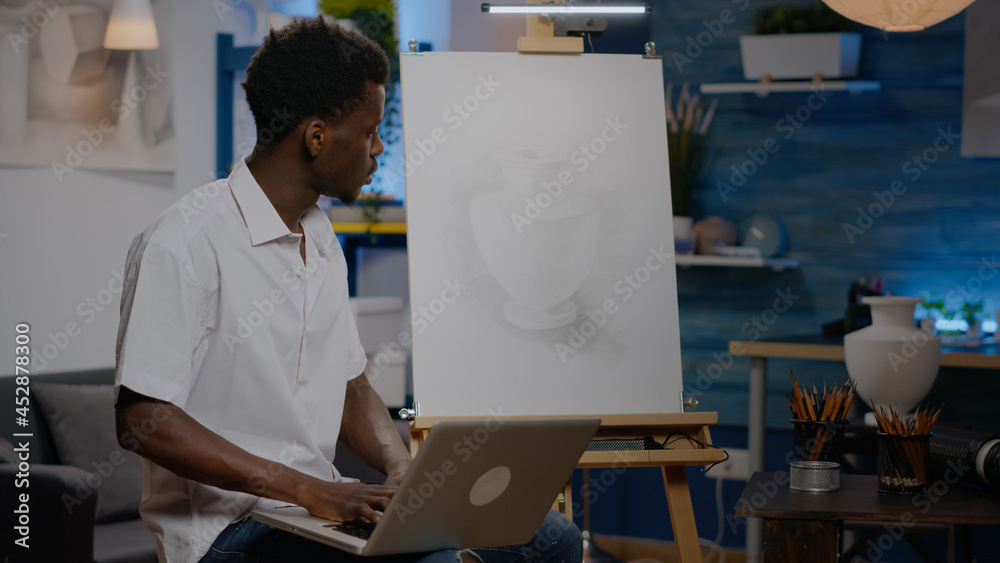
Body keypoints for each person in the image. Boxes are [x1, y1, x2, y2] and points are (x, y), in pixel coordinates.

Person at [113, 17, 583, 563]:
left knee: (551, 539)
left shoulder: (320, 234)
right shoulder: (183, 241)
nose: (380, 149)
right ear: (317, 137)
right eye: (370, 131)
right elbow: (141, 422)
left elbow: (351, 385)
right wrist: (308, 488)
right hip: (227, 533)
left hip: (311, 513)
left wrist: (404, 470)